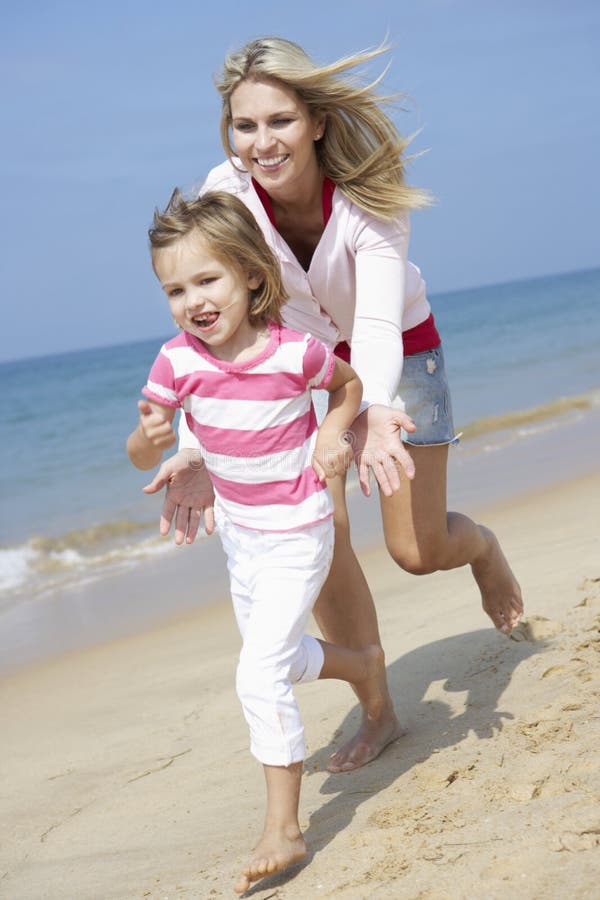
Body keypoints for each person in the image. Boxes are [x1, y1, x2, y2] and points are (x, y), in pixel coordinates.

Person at [144, 36, 523, 776]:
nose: (262, 143)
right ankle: (380, 710)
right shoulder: (226, 192)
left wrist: (375, 408)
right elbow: (211, 325)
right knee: (316, 538)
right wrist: (192, 438)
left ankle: (480, 549)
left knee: (417, 552)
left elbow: (377, 325)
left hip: (400, 353)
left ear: (315, 120)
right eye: (245, 126)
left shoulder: (371, 192)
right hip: (299, 367)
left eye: (279, 121)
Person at [127, 189, 385, 891]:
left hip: (301, 529)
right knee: (276, 659)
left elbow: (350, 383)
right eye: (174, 289)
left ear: (248, 272)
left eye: (206, 280)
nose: (192, 302)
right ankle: (360, 665)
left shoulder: (292, 353)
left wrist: (333, 433)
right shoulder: (176, 362)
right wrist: (154, 445)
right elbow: (141, 447)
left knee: (255, 673)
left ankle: (284, 828)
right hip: (241, 537)